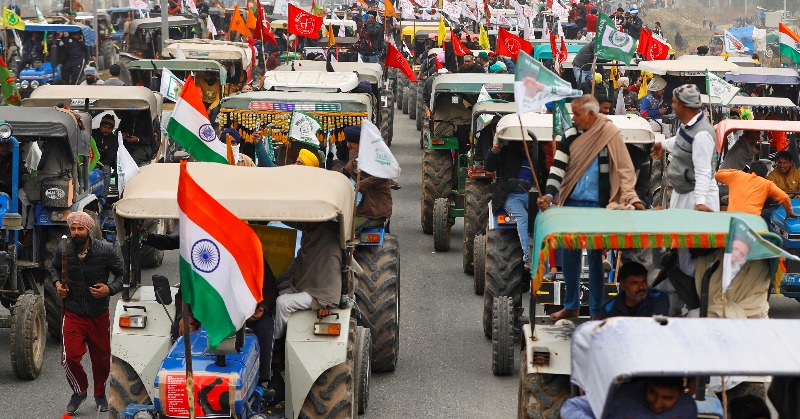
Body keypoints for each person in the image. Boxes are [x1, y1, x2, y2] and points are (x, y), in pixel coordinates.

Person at [538, 95, 645, 321]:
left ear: (591, 115)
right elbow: (558, 167)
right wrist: (549, 194)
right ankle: (571, 306)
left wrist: (632, 198)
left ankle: (596, 311)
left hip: (600, 204)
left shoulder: (609, 134)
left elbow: (624, 168)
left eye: (577, 114)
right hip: (572, 202)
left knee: (597, 257)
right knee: (569, 254)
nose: (573, 119)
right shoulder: (570, 135)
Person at [52, 211, 125, 414]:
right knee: (69, 358)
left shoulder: (106, 250)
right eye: (73, 229)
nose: (76, 232)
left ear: (88, 229)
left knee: (101, 359)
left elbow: (122, 274)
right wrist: (58, 284)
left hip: (98, 314)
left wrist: (109, 289)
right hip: (73, 311)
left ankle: (100, 394)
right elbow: (54, 269)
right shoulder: (63, 249)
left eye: (80, 229)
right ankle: (79, 390)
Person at [273, 221, 343, 340]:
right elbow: (298, 262)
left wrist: (325, 304)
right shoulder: (310, 237)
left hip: (322, 295)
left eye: (308, 223)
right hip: (306, 286)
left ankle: (275, 341)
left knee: (282, 302)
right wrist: (277, 282)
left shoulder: (328, 241)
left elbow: (331, 280)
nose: (304, 226)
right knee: (275, 297)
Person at [485, 137, 538, 269]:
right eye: (528, 144)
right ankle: (529, 257)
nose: (530, 147)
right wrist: (493, 152)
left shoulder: (538, 156)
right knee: (522, 217)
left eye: (532, 145)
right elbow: (489, 166)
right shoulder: (507, 153)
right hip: (512, 196)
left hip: (533, 195)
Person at [561, 377, 697, 418]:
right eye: (653, 393)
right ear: (646, 384)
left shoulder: (687, 408)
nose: (657, 403)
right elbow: (571, 406)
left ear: (680, 395)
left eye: (667, 398)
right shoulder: (622, 396)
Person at [342, 126, 392, 233]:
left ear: (355, 143)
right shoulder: (358, 155)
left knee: (344, 230)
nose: (347, 145)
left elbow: (383, 173)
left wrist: (362, 184)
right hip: (359, 209)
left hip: (372, 211)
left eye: (349, 142)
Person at [717, 162, 798, 218]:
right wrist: (789, 212)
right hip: (753, 221)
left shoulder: (737, 175)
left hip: (732, 219)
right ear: (765, 175)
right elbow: (784, 197)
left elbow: (717, 174)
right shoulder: (767, 184)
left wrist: (735, 171)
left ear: (750, 171)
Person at [599, 261, 669, 319]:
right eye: (635, 283)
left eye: (643, 282)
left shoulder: (658, 298)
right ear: (623, 286)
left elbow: (655, 328)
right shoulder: (609, 309)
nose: (641, 287)